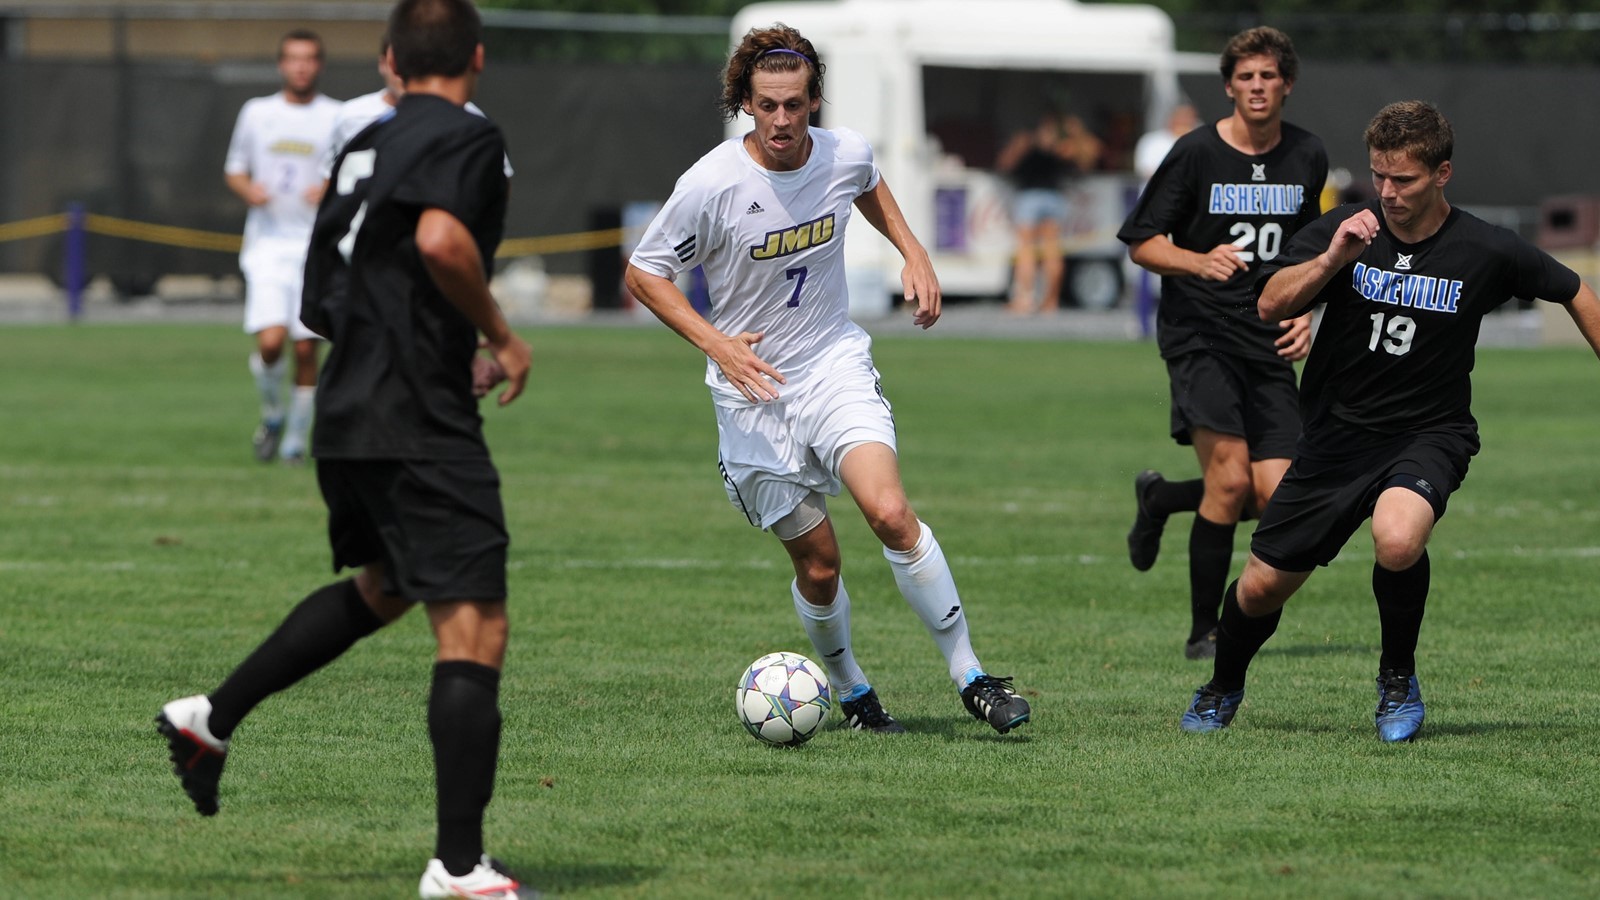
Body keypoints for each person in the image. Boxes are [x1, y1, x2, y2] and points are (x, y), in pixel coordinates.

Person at [158, 2, 533, 898]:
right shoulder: (471, 139)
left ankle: (209, 718)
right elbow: (442, 242)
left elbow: (324, 302)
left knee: (388, 587)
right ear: (476, 58)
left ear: (393, 62)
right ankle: (457, 866)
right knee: (474, 625)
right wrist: (499, 336)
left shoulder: (361, 145)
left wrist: (433, 350)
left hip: (347, 410)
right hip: (416, 420)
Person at [623, 24, 1031, 736]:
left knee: (891, 513)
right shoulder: (712, 183)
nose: (781, 119)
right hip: (751, 397)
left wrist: (914, 252)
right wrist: (718, 344)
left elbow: (867, 184)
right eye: (767, 105)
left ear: (815, 101)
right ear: (745, 104)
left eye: (794, 103)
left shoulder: (844, 153)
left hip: (832, 365)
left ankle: (973, 677)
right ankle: (853, 694)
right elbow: (643, 272)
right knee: (820, 566)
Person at [1179, 99, 1600, 739]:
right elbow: (1268, 304)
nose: (1388, 192)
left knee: (1399, 538)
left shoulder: (1486, 248)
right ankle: (1222, 684)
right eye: (1380, 176)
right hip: (1334, 438)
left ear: (1442, 174)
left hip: (1428, 434)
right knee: (1262, 588)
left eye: (1403, 179)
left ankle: (1397, 682)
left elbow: (1573, 289)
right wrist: (1330, 259)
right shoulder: (1347, 228)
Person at [1115, 27, 1327, 660]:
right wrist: (1196, 262)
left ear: (1286, 84)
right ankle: (1205, 630)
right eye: (1245, 77)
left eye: (1268, 76)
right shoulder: (1196, 153)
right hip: (1200, 334)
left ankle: (1161, 498)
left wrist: (1308, 310)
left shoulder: (1308, 155)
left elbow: (1313, 252)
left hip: (1266, 337)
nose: (1257, 87)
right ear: (1229, 85)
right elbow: (1143, 241)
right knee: (1230, 481)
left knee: (1279, 496)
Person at [224, 29, 341, 464]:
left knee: (307, 346)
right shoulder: (257, 113)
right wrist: (247, 189)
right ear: (281, 64)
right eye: (293, 58)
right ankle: (272, 414)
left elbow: (351, 168)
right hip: (268, 245)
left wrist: (329, 188)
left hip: (315, 248)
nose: (301, 66)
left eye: (309, 58)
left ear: (320, 65)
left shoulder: (337, 115)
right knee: (272, 342)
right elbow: (234, 168)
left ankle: (295, 439)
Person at [321, 34, 512, 182]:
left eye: (414, 62)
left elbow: (499, 184)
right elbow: (330, 183)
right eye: (402, 61)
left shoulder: (471, 121)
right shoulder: (351, 116)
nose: (405, 73)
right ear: (388, 63)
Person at [1130, 102, 1200, 339]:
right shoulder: (1154, 141)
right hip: (1154, 215)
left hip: (1188, 215)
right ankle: (1142, 323)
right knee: (1145, 266)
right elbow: (1149, 171)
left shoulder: (1199, 140)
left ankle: (1185, 322)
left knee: (1185, 267)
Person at [995, 112, 1075, 315]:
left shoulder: (1027, 144)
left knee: (1027, 251)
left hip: (1030, 196)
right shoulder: (1062, 147)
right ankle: (1051, 302)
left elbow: (1005, 164)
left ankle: (1025, 300)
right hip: (1054, 197)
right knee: (1052, 252)